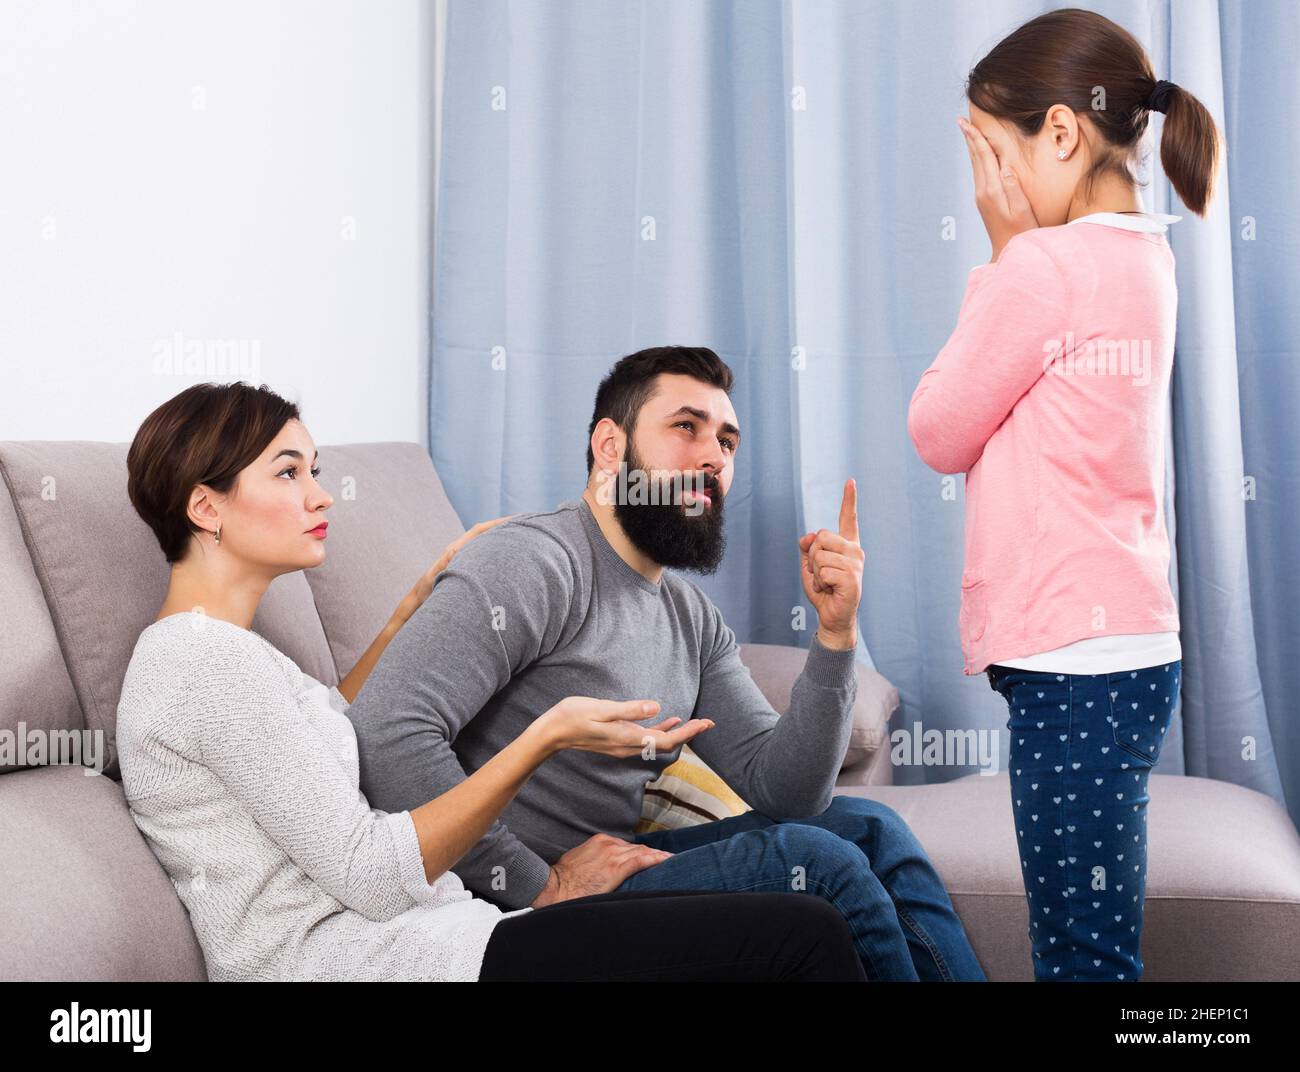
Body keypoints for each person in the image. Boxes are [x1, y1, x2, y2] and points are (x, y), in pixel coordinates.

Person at [115, 381, 866, 982]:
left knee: (851, 845)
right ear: (206, 505)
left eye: (315, 471)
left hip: (443, 937)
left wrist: (414, 603)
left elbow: (337, 726)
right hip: (365, 961)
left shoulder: (237, 657)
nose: (321, 495)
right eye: (290, 473)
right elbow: (370, 873)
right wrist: (545, 738)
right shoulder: (200, 664)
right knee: (802, 933)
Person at [350, 345, 986, 982]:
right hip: (508, 900)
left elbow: (788, 791)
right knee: (821, 862)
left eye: (728, 442)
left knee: (874, 828)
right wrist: (535, 882)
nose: (714, 457)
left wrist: (836, 634)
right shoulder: (534, 562)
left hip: (608, 867)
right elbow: (388, 729)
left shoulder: (689, 615)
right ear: (609, 446)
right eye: (686, 427)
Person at [908, 7, 1221, 981]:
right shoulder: (1145, 255)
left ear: (1058, 131)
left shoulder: (1043, 266)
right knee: (1089, 947)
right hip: (1119, 652)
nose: (986, 188)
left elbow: (936, 427)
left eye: (992, 156)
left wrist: (1004, 246)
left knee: (1080, 959)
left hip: (1076, 665)